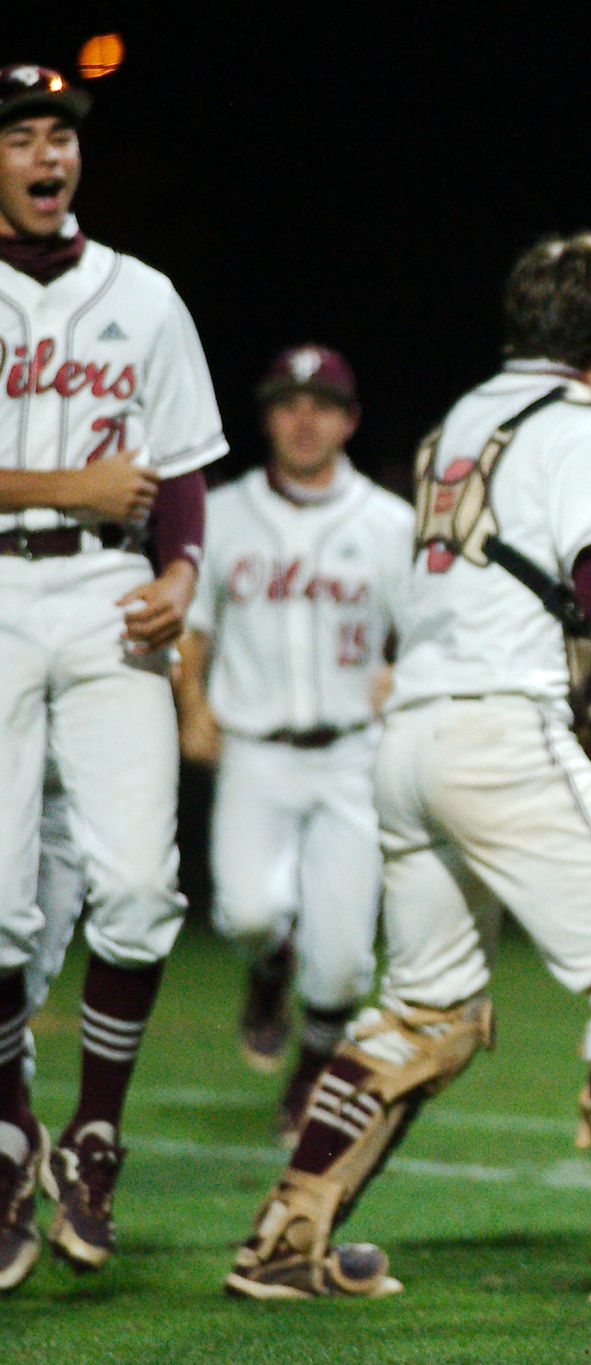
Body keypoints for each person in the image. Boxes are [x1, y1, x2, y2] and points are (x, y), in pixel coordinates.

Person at [223, 232, 591, 1303]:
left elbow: (512, 579)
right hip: (500, 729)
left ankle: (285, 1238)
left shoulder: (462, 416)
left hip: (407, 738)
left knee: (425, 1011)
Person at [0, 63, 228, 1288]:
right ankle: (5, 1133)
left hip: (108, 596)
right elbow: (101, 476)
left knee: (138, 891)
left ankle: (90, 1134)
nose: (50, 152)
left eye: (59, 134)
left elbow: (183, 467)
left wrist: (184, 578)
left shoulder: (139, 294)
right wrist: (58, 487)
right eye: (23, 134)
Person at [172, 345, 412, 1138]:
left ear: (349, 418)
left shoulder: (388, 521)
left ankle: (311, 1069)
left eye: (321, 404)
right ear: (267, 414)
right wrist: (191, 706)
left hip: (352, 751)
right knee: (245, 912)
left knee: (343, 957)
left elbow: (428, 633)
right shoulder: (224, 509)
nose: (303, 420)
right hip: (257, 748)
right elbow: (194, 625)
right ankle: (269, 966)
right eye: (287, 403)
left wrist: (401, 674)